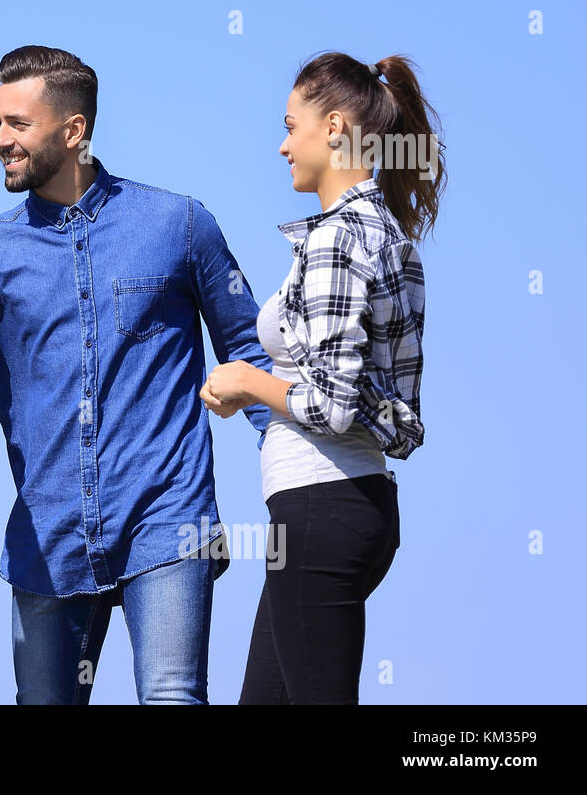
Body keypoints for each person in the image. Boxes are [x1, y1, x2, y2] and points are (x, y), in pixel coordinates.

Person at [0, 45, 273, 704]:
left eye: (17, 124)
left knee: (173, 696)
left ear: (73, 132)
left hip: (167, 517)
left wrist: (297, 480)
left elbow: (248, 348)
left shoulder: (180, 224)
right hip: (48, 541)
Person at [201, 52, 443, 705]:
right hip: (350, 509)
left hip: (319, 509)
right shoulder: (392, 238)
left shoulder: (337, 241)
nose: (282, 145)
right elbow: (403, 420)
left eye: (290, 125)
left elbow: (335, 405)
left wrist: (247, 383)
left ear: (334, 127)